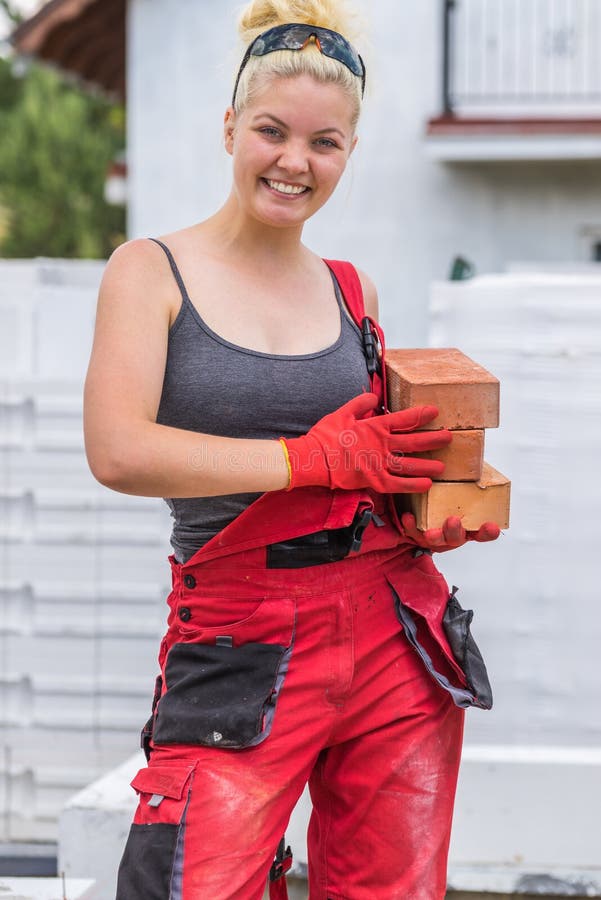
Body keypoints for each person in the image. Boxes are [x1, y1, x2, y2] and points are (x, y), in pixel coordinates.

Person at [83, 1, 500, 897]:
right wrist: (307, 461)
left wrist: (428, 518)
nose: (293, 162)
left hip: (390, 620)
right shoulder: (151, 271)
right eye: (271, 131)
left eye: (325, 143)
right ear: (230, 126)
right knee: (188, 881)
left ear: (348, 152)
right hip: (242, 634)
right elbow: (117, 451)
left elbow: (371, 462)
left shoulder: (353, 290)